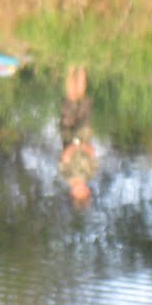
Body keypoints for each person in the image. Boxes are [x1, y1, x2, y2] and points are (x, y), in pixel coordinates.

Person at [59, 64, 97, 206]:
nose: (81, 190)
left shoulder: (66, 176)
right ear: (87, 191)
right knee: (82, 98)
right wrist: (83, 146)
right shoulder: (90, 174)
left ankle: (70, 67)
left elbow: (65, 156)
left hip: (68, 133)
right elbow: (92, 153)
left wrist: (76, 145)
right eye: (84, 193)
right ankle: (81, 67)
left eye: (78, 193)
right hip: (84, 132)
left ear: (72, 192)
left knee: (71, 99)